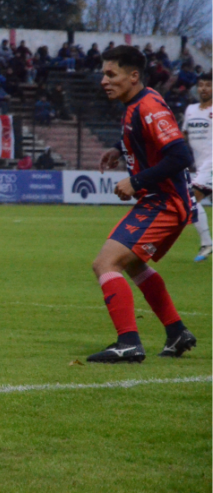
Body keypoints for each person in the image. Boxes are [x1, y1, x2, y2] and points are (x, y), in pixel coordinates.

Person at [89, 45, 197, 363]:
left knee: (105, 264)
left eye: (111, 74)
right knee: (134, 264)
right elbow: (143, 138)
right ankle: (176, 332)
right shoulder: (136, 103)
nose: (104, 81)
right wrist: (117, 150)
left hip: (163, 202)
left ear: (133, 76)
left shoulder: (148, 105)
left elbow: (180, 156)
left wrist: (135, 181)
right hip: (160, 201)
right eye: (103, 74)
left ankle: (128, 343)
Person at [181, 72, 213, 261]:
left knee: (191, 198)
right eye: (201, 85)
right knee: (191, 200)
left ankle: (207, 243)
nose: (203, 88)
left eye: (208, 85)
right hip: (201, 165)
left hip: (212, 163)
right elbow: (183, 135)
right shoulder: (191, 110)